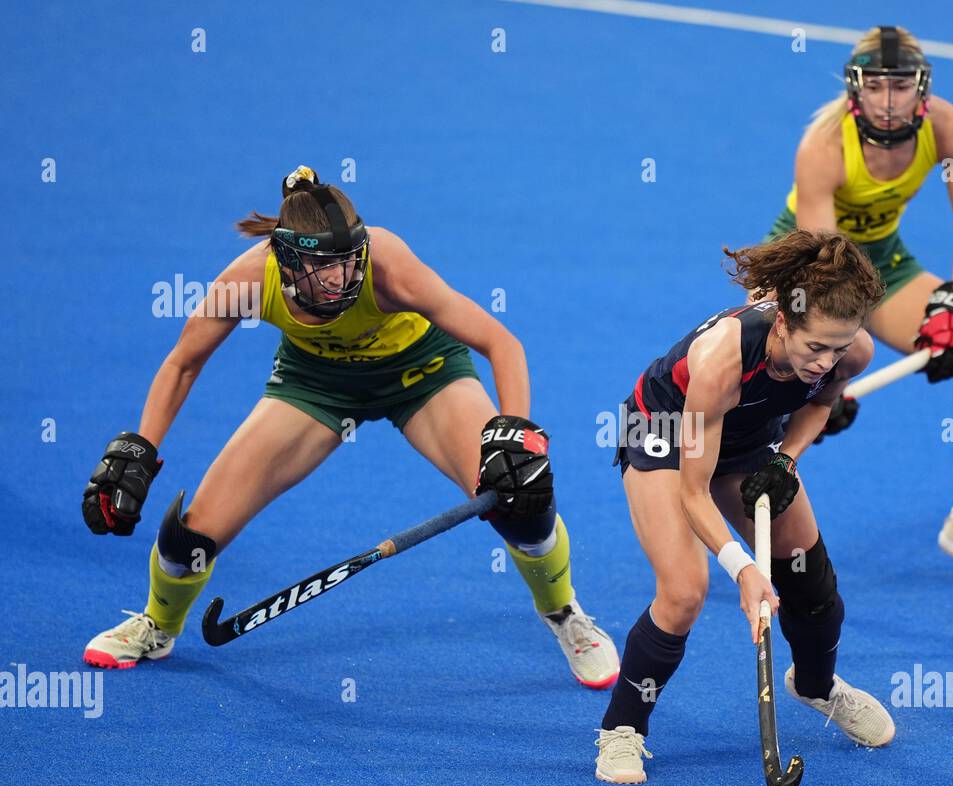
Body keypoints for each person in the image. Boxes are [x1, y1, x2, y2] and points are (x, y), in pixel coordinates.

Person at [81, 166, 619, 688]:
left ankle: (563, 612)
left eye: (348, 260)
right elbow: (183, 362)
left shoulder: (387, 264)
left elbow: (502, 343)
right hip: (316, 385)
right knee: (188, 539)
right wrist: (143, 446)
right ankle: (158, 625)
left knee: (517, 504)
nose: (342, 276)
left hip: (423, 374)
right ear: (288, 260)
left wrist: (514, 433)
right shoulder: (249, 279)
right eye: (325, 266)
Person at [595, 230, 895, 785]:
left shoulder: (850, 351)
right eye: (815, 348)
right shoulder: (721, 361)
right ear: (782, 321)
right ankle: (623, 729)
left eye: (838, 348)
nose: (825, 361)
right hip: (666, 432)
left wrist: (786, 459)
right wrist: (744, 569)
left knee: (811, 581)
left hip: (750, 437)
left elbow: (820, 404)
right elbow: (693, 490)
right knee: (685, 592)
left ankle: (815, 685)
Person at [766, 25, 953, 582]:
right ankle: (727, 526)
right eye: (876, 87)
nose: (888, 101)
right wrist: (827, 383)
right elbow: (825, 273)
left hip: (884, 264)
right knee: (770, 403)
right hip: (806, 268)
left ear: (921, 90)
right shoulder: (823, 148)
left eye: (899, 87)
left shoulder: (947, 127)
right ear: (855, 90)